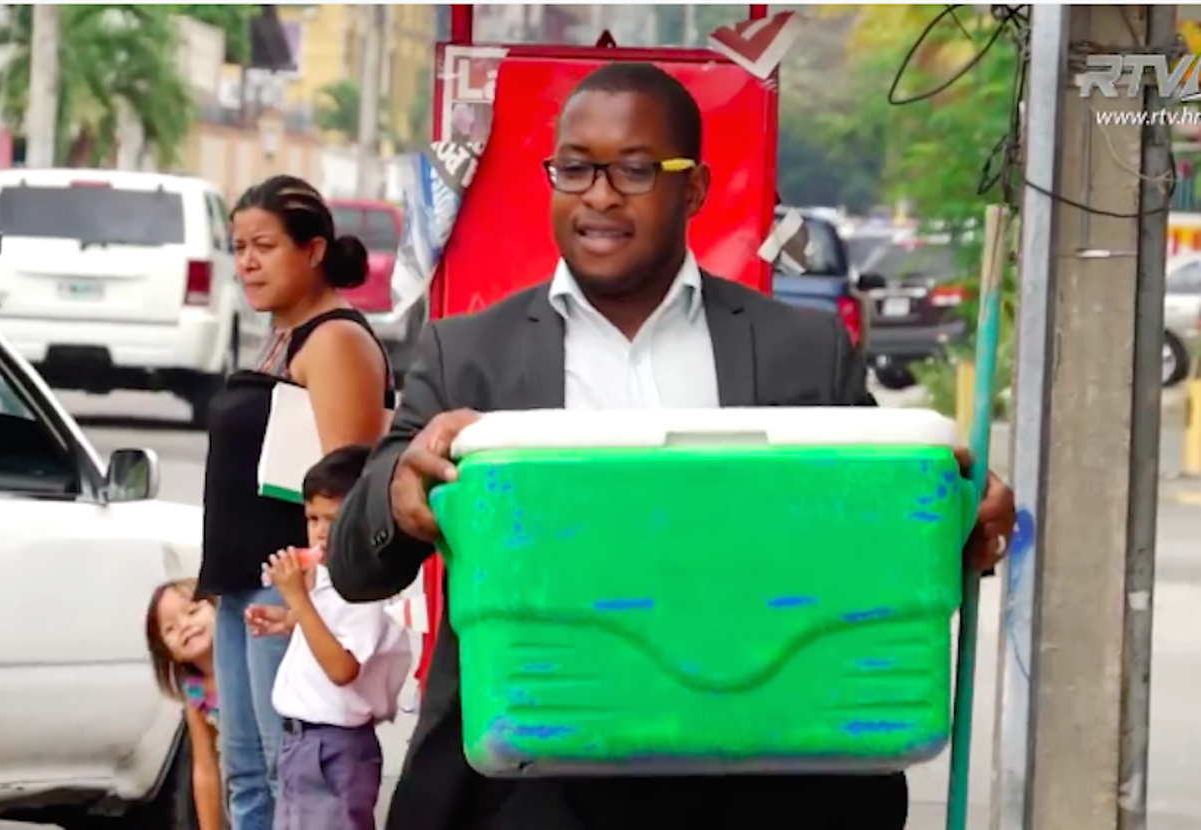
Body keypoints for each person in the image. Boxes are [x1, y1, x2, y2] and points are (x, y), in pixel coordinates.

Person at [328, 63, 1017, 830]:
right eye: (576, 168)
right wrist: (398, 488)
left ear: (693, 189)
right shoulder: (470, 353)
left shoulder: (803, 350)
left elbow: (881, 537)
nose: (599, 194)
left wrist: (965, 515)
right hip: (535, 792)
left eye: (634, 169)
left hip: (768, 787)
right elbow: (355, 566)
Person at [196, 174, 395, 830]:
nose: (247, 262)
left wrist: (308, 597)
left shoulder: (334, 339)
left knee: (292, 772)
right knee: (246, 772)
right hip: (241, 584)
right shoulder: (282, 335)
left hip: (289, 590)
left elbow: (347, 483)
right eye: (238, 247)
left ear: (312, 251)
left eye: (264, 246)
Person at [254, 445, 412, 830]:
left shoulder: (364, 585)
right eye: (312, 518)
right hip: (301, 742)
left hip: (333, 749)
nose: (321, 531)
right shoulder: (329, 575)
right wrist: (291, 618)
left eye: (333, 519)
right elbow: (331, 629)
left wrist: (297, 599)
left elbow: (342, 667)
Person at [145, 579, 223, 830]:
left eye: (192, 611)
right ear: (167, 653)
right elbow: (204, 768)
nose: (185, 626)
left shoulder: (250, 661)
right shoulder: (196, 694)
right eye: (170, 629)